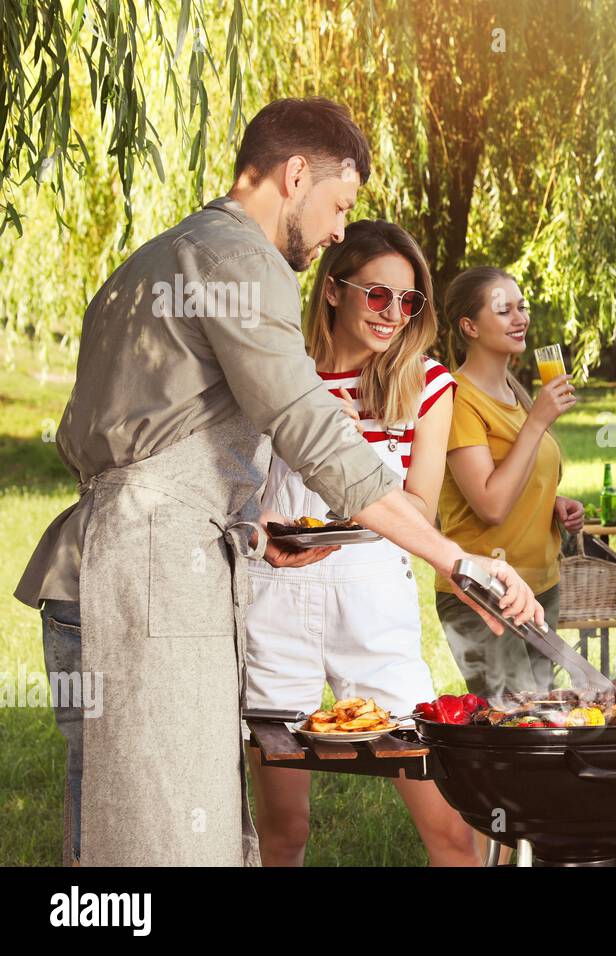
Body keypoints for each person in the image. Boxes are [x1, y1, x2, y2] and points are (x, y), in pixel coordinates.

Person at [16, 98, 543, 867]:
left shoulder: (149, 261)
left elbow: (124, 440)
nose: (337, 231)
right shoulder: (246, 262)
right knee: (162, 837)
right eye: (339, 205)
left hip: (90, 577)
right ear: (297, 175)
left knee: (104, 827)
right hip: (148, 582)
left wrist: (246, 524)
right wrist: (456, 560)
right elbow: (314, 431)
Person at [242, 219, 479, 866]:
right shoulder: (277, 372)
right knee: (283, 830)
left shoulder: (426, 385)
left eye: (409, 302)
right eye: (378, 295)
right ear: (333, 291)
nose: (394, 314)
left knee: (454, 831)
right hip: (274, 596)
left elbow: (421, 513)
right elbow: (244, 495)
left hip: (375, 599)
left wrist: (347, 448)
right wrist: (303, 416)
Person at [435, 267, 586, 699]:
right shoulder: (458, 398)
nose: (520, 318)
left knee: (541, 720)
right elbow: (491, 504)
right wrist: (538, 421)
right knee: (513, 723)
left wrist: (552, 501)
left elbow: (520, 476)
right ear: (470, 326)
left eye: (522, 307)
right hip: (484, 592)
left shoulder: (517, 394)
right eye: (504, 310)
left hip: (539, 587)